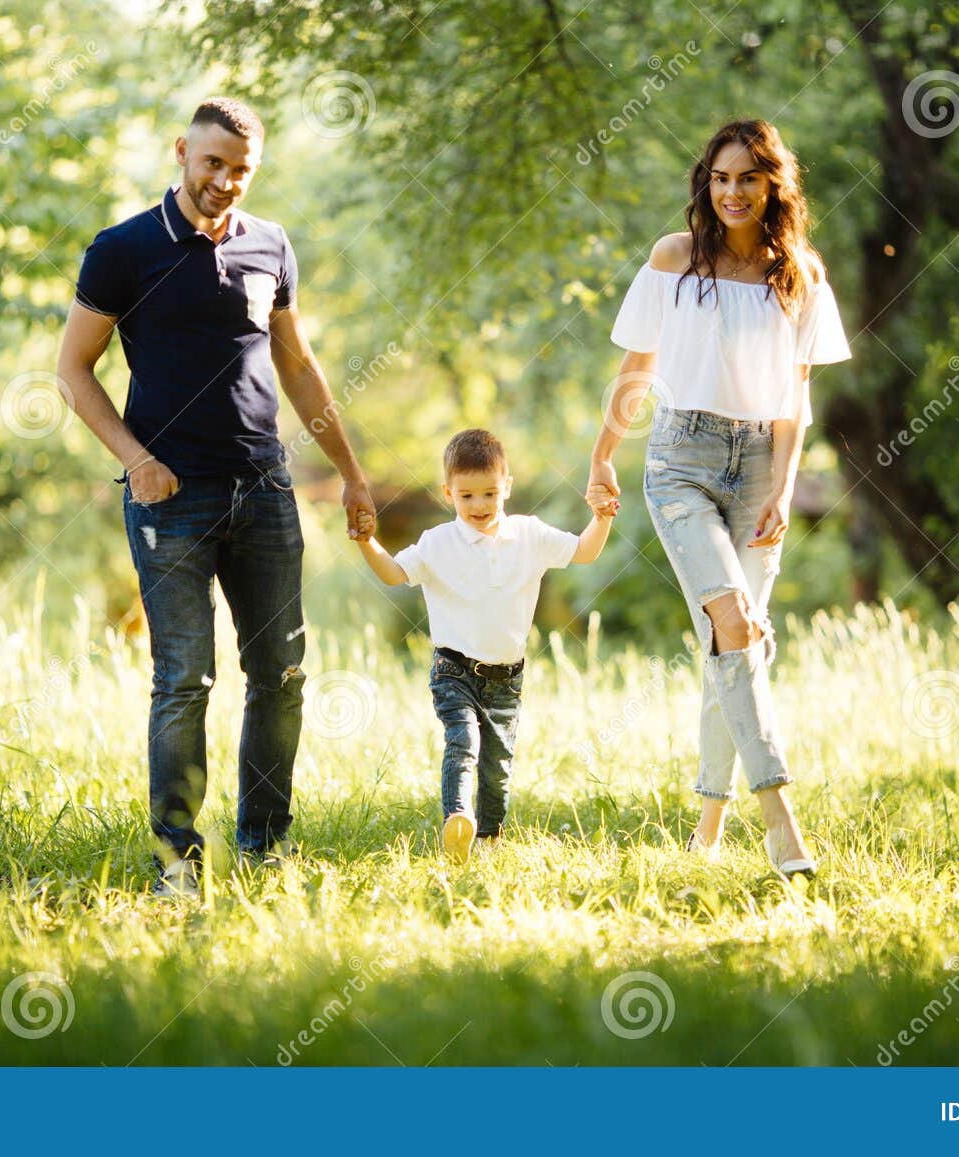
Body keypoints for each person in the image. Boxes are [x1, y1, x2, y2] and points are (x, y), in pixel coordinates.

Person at [56, 97, 375, 894]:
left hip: (264, 486)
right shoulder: (123, 249)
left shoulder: (271, 245)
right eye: (212, 164)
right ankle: (176, 860)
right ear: (181, 153)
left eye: (241, 170)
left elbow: (298, 367)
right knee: (184, 677)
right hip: (171, 500)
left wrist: (353, 470)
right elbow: (71, 370)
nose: (225, 182)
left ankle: (265, 847)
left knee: (282, 671)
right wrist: (134, 460)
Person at [586, 118, 852, 879]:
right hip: (681, 459)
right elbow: (637, 371)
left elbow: (794, 400)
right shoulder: (675, 259)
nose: (732, 192)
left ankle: (707, 829)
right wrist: (602, 457)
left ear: (775, 185)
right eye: (721, 178)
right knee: (733, 621)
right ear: (707, 184)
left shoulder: (799, 272)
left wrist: (783, 486)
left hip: (760, 468)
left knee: (730, 646)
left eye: (749, 178)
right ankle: (781, 818)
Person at [353, 429, 613, 863]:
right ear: (448, 492)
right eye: (467, 495)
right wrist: (366, 541)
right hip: (454, 670)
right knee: (464, 740)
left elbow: (584, 551)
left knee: (498, 768)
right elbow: (395, 574)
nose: (479, 505)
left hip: (507, 677)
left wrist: (602, 517)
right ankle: (457, 817)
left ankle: (489, 839)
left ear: (506, 487)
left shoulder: (530, 535)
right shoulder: (438, 542)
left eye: (490, 493)